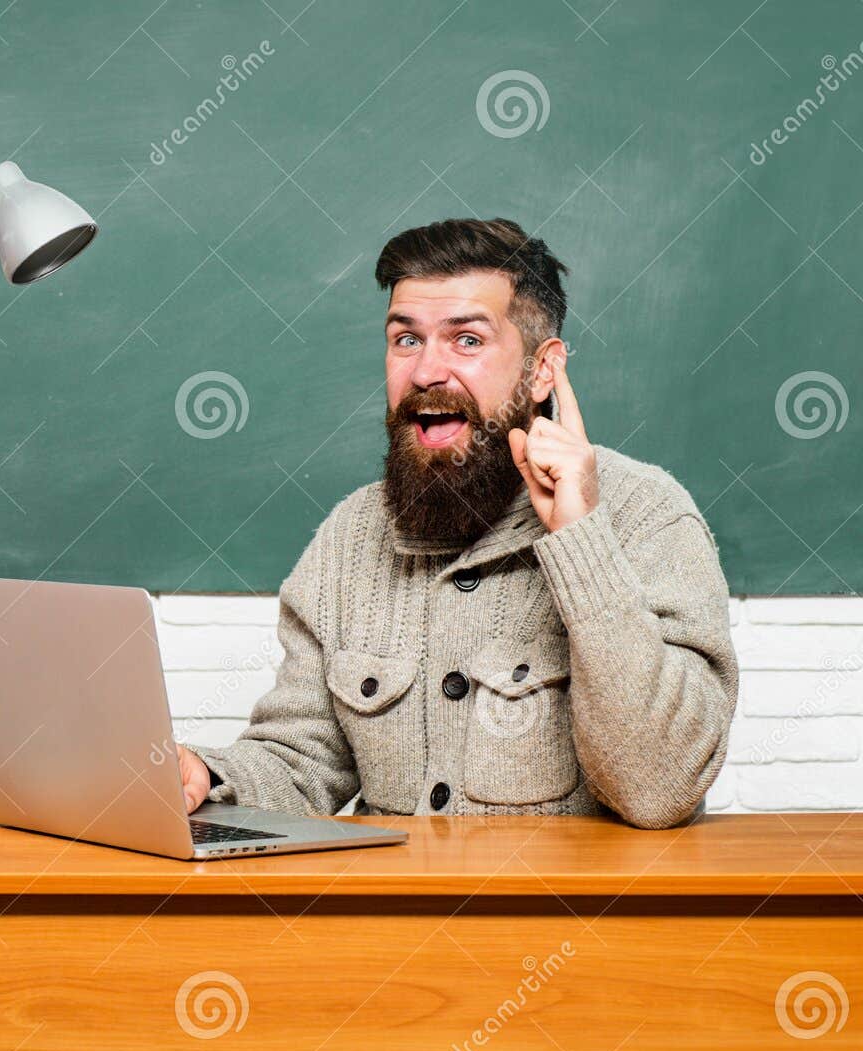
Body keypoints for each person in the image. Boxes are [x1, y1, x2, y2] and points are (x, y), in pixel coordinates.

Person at [177, 218, 738, 829]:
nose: (425, 372)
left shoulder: (648, 516)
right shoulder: (349, 536)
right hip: (396, 894)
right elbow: (301, 761)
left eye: (467, 340)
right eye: (406, 340)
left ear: (542, 370)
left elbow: (658, 790)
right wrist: (208, 774)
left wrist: (580, 540)